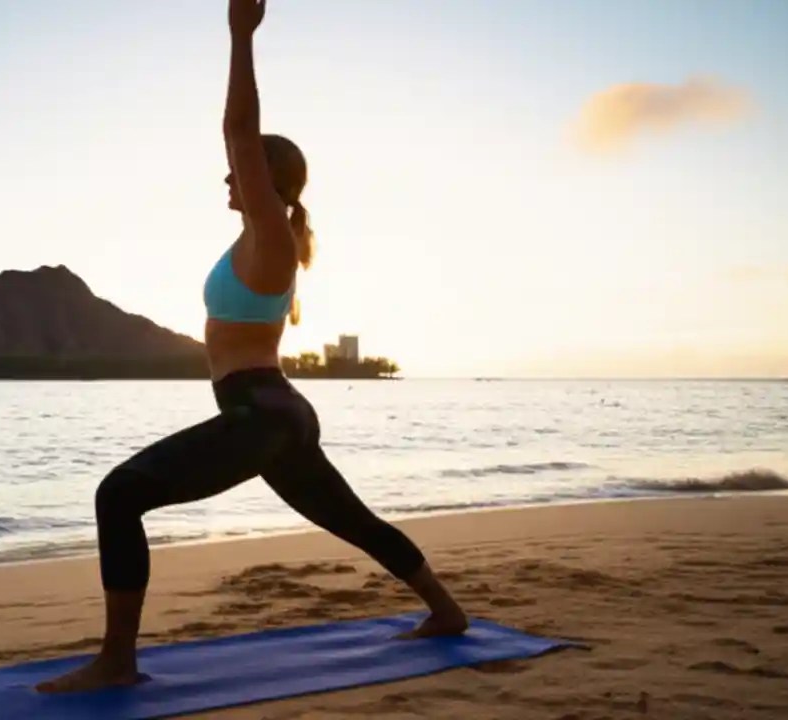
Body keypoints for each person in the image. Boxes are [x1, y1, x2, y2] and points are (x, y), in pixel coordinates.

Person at [36, 0, 468, 694]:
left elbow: (239, 128)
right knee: (353, 521)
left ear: (267, 183)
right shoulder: (261, 240)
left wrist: (239, 36)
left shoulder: (272, 238)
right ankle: (446, 612)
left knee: (118, 496)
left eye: (242, 172)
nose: (228, 176)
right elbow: (240, 147)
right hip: (274, 412)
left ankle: (117, 661)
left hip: (261, 415)